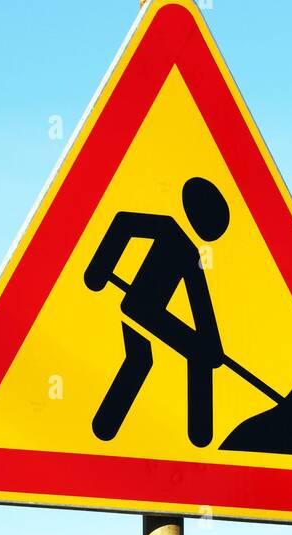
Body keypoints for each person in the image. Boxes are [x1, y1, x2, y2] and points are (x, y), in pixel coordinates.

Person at [84, 177, 230, 446]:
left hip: (150, 313)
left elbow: (201, 304)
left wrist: (213, 345)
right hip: (138, 307)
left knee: (188, 354)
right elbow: (123, 223)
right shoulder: (167, 229)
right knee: (143, 360)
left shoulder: (191, 254)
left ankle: (199, 435)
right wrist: (98, 269)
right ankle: (105, 429)